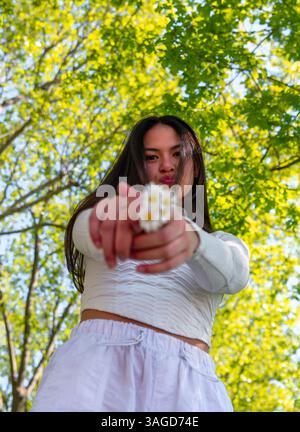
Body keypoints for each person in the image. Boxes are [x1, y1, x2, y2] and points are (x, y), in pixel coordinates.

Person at [30, 115, 250, 412]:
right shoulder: (107, 212)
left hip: (189, 392)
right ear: (136, 164)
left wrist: (191, 238)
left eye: (178, 154)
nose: (167, 166)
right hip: (99, 373)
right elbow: (87, 230)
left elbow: (235, 276)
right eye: (151, 157)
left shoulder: (224, 243)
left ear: (195, 165)